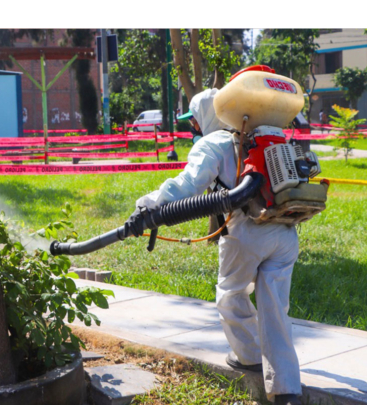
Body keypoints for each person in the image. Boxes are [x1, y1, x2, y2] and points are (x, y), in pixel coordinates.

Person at [127, 88, 303, 405]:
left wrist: (147, 206)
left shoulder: (214, 144)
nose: (194, 125)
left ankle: (248, 356)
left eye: (195, 118)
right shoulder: (270, 139)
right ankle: (288, 392)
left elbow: (186, 186)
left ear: (213, 113)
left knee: (229, 295)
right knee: (275, 310)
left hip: (246, 233)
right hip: (286, 232)